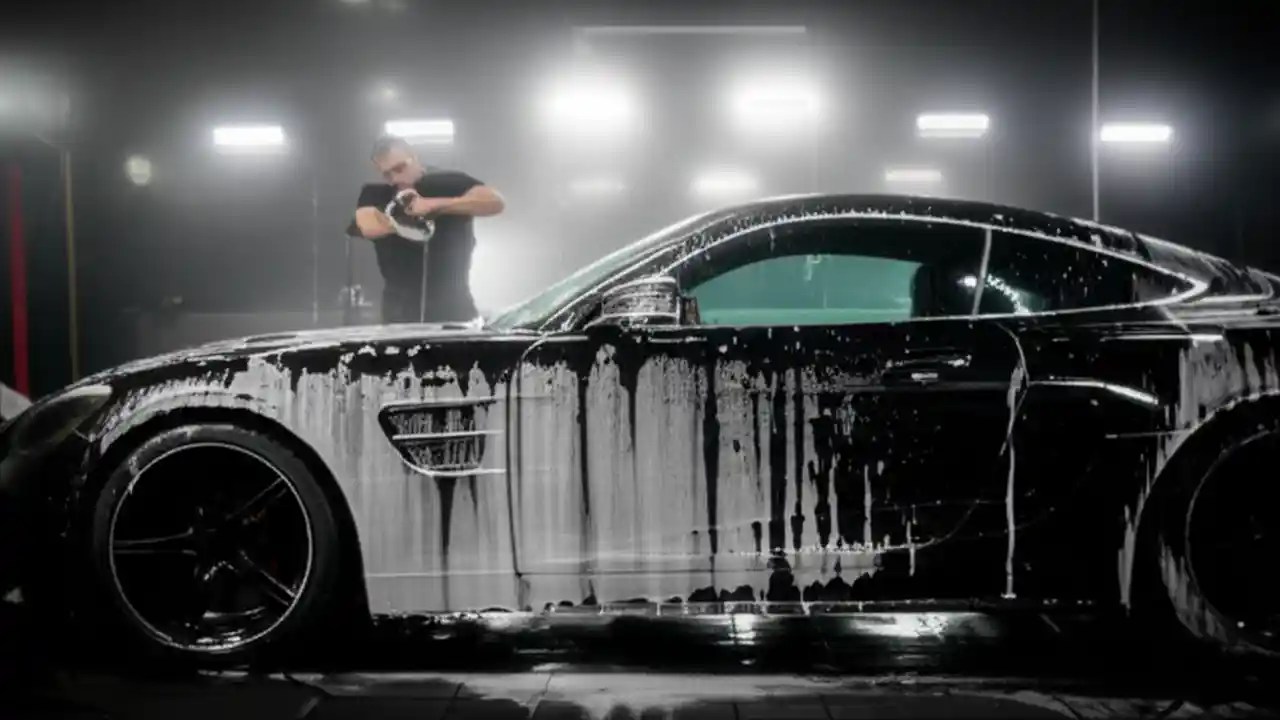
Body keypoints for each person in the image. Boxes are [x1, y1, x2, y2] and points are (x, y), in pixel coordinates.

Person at [350, 135, 504, 323]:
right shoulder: (375, 193)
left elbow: (495, 202)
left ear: (414, 157)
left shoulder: (449, 182)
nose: (396, 179)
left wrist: (434, 205)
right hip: (398, 314)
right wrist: (404, 220)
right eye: (387, 174)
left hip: (455, 310)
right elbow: (368, 226)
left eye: (400, 168)